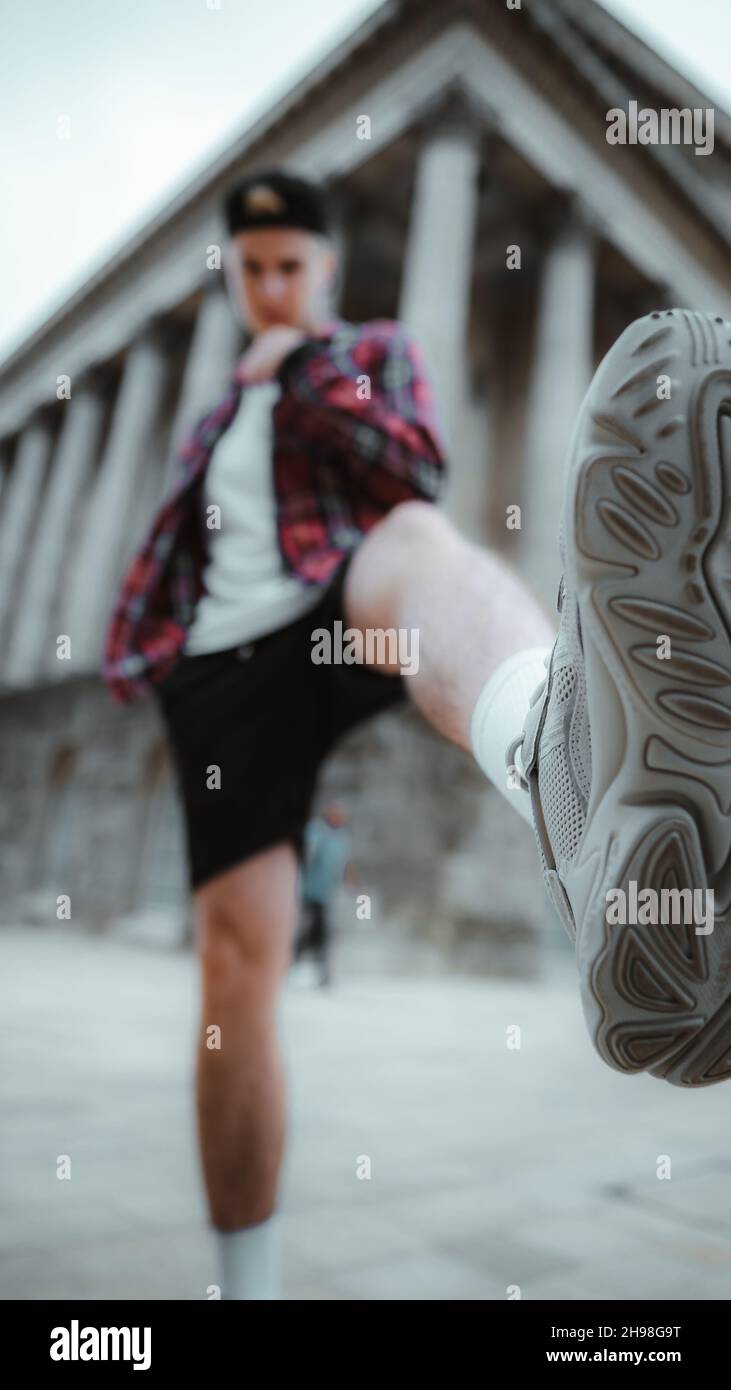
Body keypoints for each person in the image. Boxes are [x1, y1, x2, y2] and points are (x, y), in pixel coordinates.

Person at [102, 164, 731, 1299]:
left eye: (290, 266)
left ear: (324, 267)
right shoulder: (207, 410)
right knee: (235, 975)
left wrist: (298, 369)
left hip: (338, 586)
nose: (269, 286)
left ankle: (558, 736)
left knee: (418, 547)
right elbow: (159, 558)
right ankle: (249, 1286)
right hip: (216, 664)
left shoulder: (365, 352)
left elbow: (413, 467)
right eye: (249, 271)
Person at [293, 802, 352, 987]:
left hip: (326, 894)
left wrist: (353, 884)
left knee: (322, 933)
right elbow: (305, 852)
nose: (339, 818)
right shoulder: (316, 830)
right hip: (307, 891)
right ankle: (290, 961)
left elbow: (344, 865)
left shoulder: (342, 838)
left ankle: (322, 971)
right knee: (307, 930)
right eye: (335, 814)